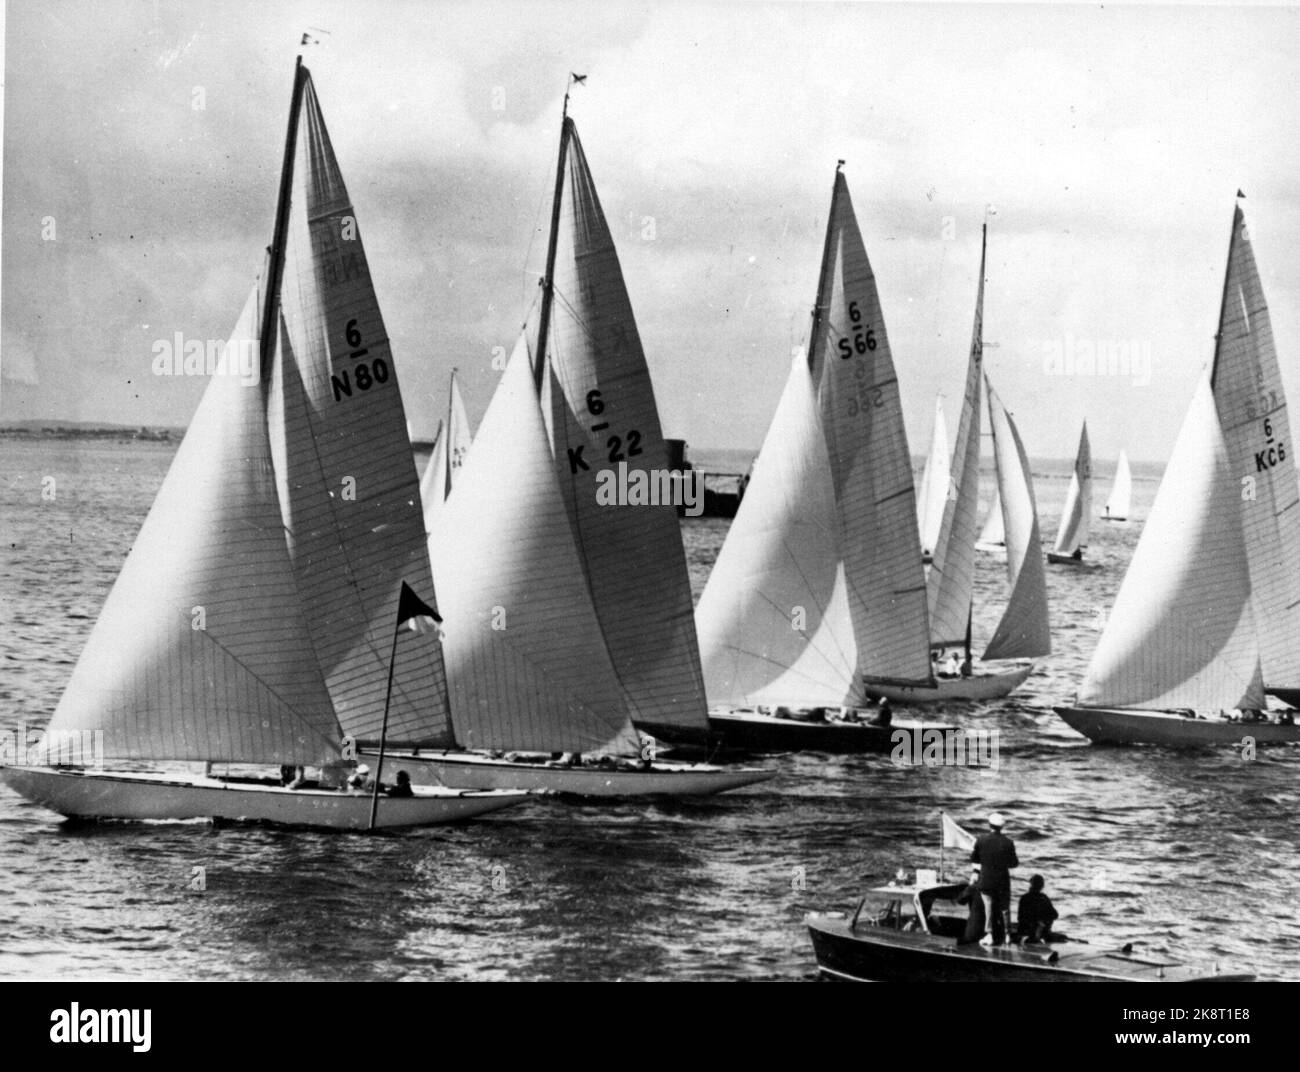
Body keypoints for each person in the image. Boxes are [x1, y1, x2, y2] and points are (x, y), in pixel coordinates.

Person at [970, 812, 1019, 946]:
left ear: (989, 825)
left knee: (988, 908)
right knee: (1005, 908)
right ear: (1002, 827)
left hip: (986, 880)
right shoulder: (1008, 842)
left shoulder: (981, 840)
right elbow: (1014, 863)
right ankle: (1008, 935)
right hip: (1003, 880)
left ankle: (990, 935)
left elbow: (974, 859)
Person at [1017, 874, 1058, 944]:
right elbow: (1055, 915)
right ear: (1042, 886)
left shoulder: (1024, 898)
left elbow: (1020, 918)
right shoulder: (1044, 898)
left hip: (1026, 929)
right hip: (1040, 929)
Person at [956, 866, 986, 946]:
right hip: (988, 929)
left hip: (975, 927)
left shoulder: (973, 888)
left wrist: (970, 885)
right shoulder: (990, 888)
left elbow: (960, 900)